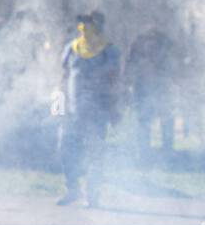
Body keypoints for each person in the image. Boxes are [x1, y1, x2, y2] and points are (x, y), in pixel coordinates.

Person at [57, 11, 121, 207]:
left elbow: (114, 81)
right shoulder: (71, 48)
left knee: (95, 152)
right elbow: (64, 77)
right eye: (83, 24)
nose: (84, 28)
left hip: (98, 111)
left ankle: (93, 194)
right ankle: (73, 189)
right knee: (65, 148)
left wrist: (113, 108)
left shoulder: (109, 51)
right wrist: (60, 105)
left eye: (89, 24)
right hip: (73, 111)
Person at [126, 25, 177, 157]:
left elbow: (172, 69)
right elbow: (130, 68)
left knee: (165, 119)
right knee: (144, 120)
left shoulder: (166, 45)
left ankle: (166, 150)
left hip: (161, 87)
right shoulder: (138, 46)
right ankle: (144, 151)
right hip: (143, 88)